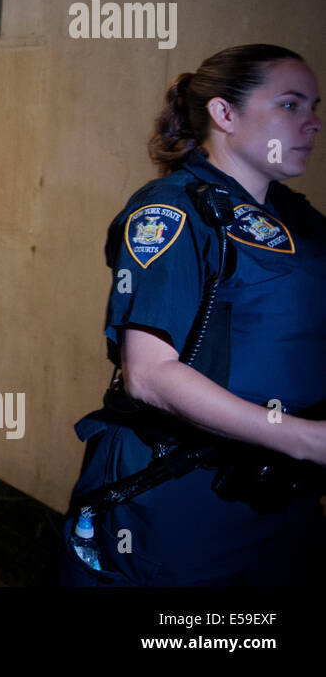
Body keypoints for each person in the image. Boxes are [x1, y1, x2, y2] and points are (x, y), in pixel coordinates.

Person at [63, 44, 326, 586]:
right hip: (186, 496)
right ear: (224, 113)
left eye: (314, 107)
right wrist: (305, 438)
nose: (313, 123)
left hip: (280, 497)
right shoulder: (173, 210)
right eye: (291, 105)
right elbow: (150, 375)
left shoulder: (293, 216)